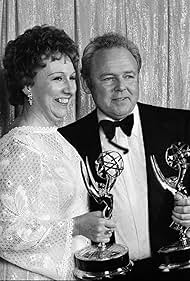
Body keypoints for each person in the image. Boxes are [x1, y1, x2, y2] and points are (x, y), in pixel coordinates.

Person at [59, 32, 190, 275]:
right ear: (87, 84)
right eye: (108, 78)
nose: (121, 87)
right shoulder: (65, 141)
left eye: (129, 76)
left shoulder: (183, 124)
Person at [0, 25, 116, 280]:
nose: (69, 89)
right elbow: (4, 232)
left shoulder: (54, 139)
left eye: (72, 77)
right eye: (57, 78)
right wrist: (76, 226)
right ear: (27, 85)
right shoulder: (20, 147)